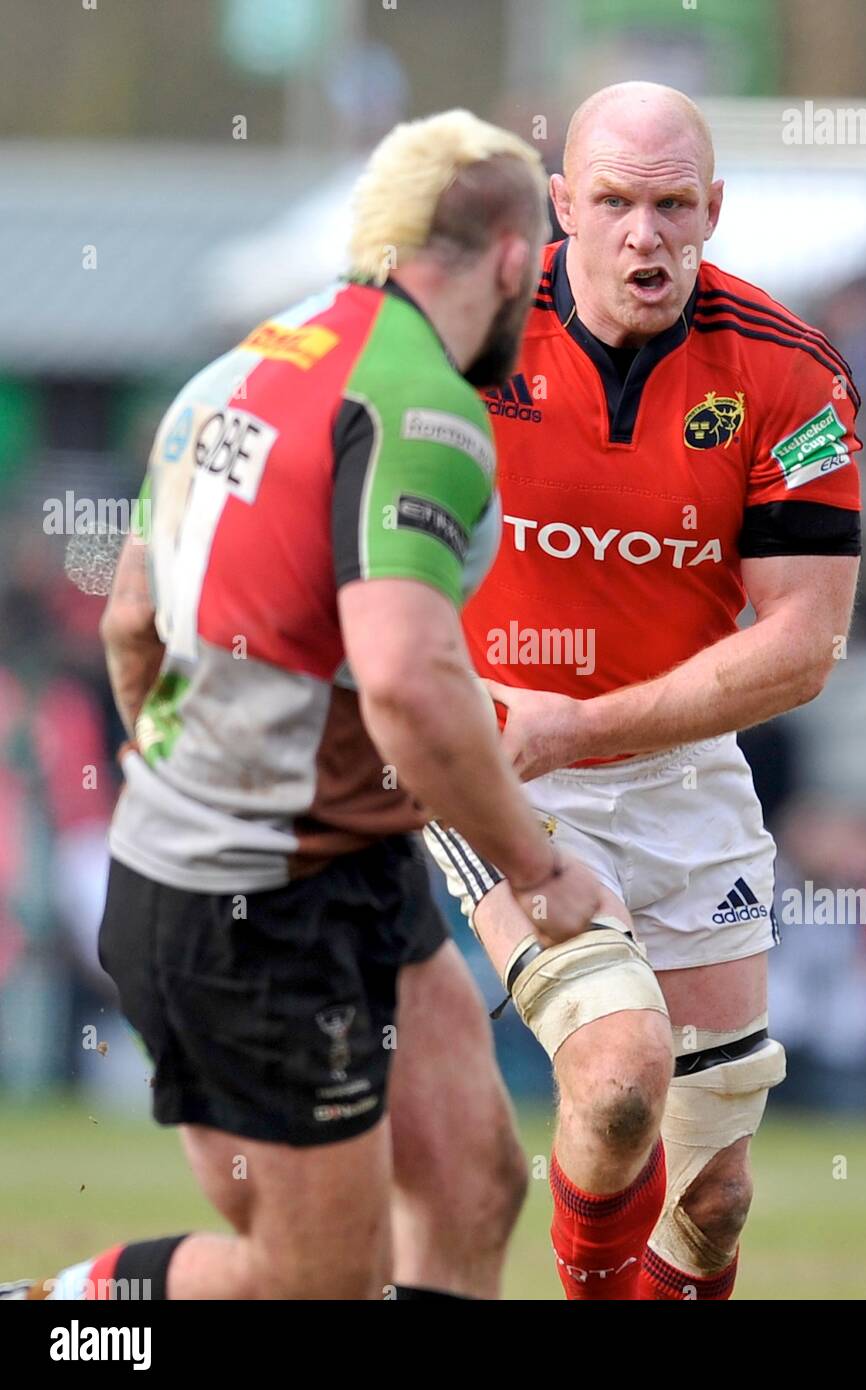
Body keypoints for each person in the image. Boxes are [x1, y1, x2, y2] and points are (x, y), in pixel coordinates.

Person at [3, 108, 601, 1303]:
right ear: (505, 258)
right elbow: (406, 685)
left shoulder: (238, 365)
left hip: (335, 866)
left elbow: (130, 620)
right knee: (313, 1280)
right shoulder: (422, 406)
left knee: (479, 1180)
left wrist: (188, 772)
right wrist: (533, 869)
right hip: (252, 905)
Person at [423, 82, 863, 1300]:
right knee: (619, 1081)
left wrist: (595, 723)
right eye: (612, 201)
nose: (643, 235)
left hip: (677, 765)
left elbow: (804, 644)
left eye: (673, 205)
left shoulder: (788, 375)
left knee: (713, 1199)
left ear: (713, 209)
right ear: (560, 204)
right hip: (502, 756)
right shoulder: (467, 337)